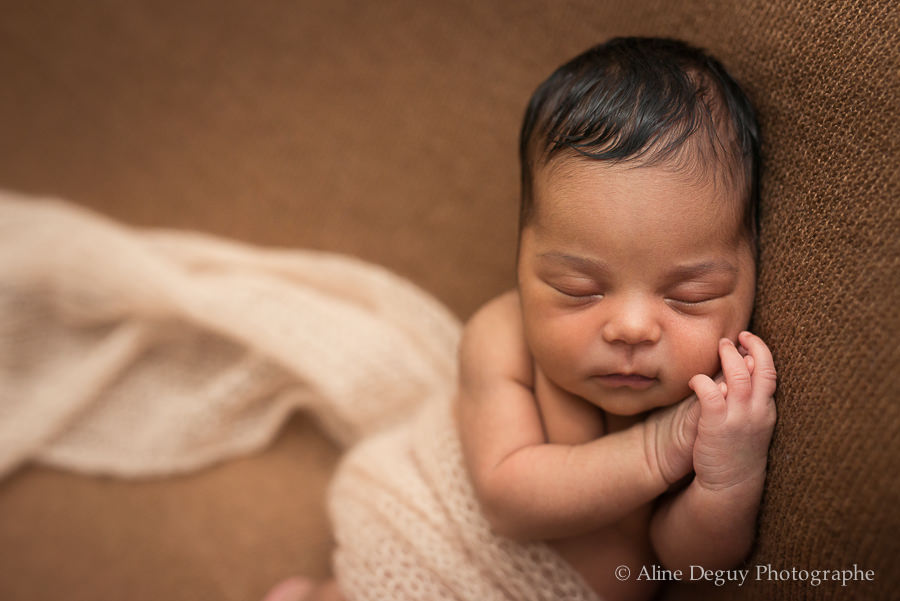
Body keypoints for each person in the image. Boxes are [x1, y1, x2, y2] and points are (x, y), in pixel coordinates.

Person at [264, 36, 777, 601]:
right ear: (521, 259)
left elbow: (687, 565)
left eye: (689, 295)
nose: (631, 328)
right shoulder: (503, 337)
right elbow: (507, 499)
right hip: (431, 543)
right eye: (577, 289)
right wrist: (658, 450)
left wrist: (728, 476)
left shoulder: (706, 402)